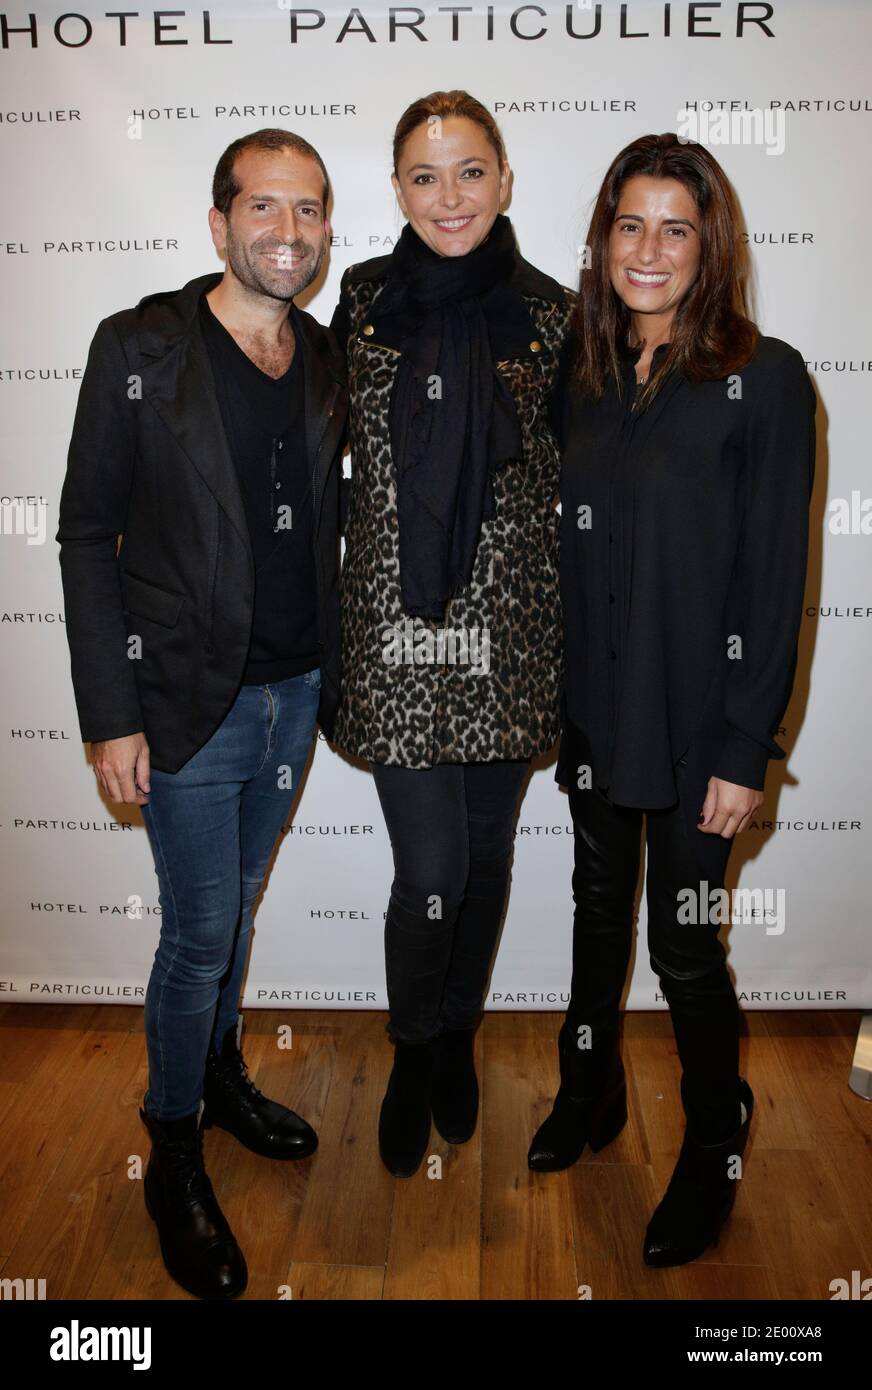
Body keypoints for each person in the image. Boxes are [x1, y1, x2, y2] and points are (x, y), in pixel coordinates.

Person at [56, 128, 347, 1299]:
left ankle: (220, 1075)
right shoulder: (141, 347)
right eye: (263, 206)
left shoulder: (324, 358)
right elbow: (86, 535)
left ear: (327, 231)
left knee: (235, 916)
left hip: (295, 691)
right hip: (182, 700)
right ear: (219, 222)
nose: (288, 229)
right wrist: (108, 710)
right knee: (195, 935)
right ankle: (171, 1145)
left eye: (309, 209)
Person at [530, 133, 815, 1267]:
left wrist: (745, 748)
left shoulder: (764, 377)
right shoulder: (583, 372)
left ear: (710, 244)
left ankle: (712, 1142)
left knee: (685, 952)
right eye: (628, 225)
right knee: (595, 924)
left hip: (701, 731)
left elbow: (772, 575)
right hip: (598, 716)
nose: (647, 250)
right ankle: (588, 1089)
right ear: (601, 239)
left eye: (674, 228)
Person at [329, 90, 574, 1177]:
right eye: (424, 176)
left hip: (510, 634)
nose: (448, 195)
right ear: (396, 190)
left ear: (504, 179)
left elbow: (579, 487)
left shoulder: (554, 315)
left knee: (481, 860)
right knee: (426, 862)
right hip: (394, 631)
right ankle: (410, 1048)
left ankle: (456, 1039)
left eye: (469, 171)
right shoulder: (359, 301)